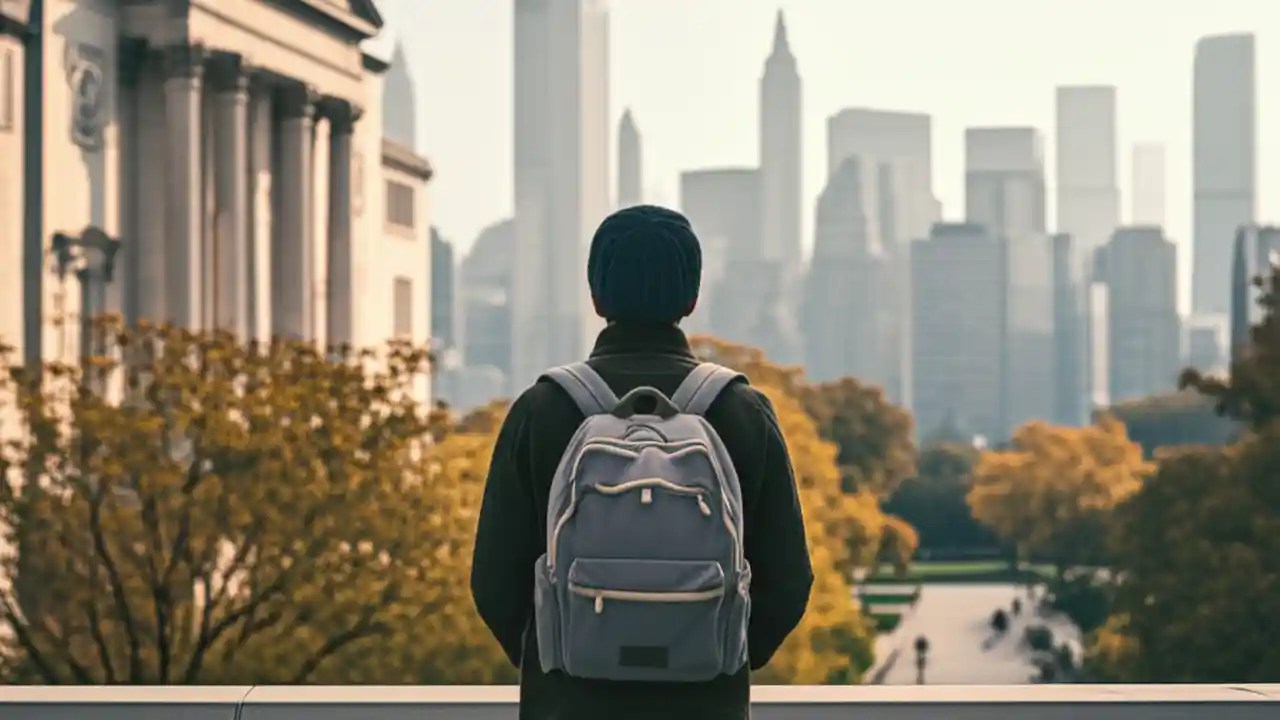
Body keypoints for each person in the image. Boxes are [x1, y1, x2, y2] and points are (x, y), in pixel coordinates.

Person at [471, 206, 813, 720]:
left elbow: (493, 583)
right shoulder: (741, 412)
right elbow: (789, 583)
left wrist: (560, 655)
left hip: (568, 706)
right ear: (693, 298)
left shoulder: (541, 411)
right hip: (705, 706)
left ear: (596, 296)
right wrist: (719, 650)